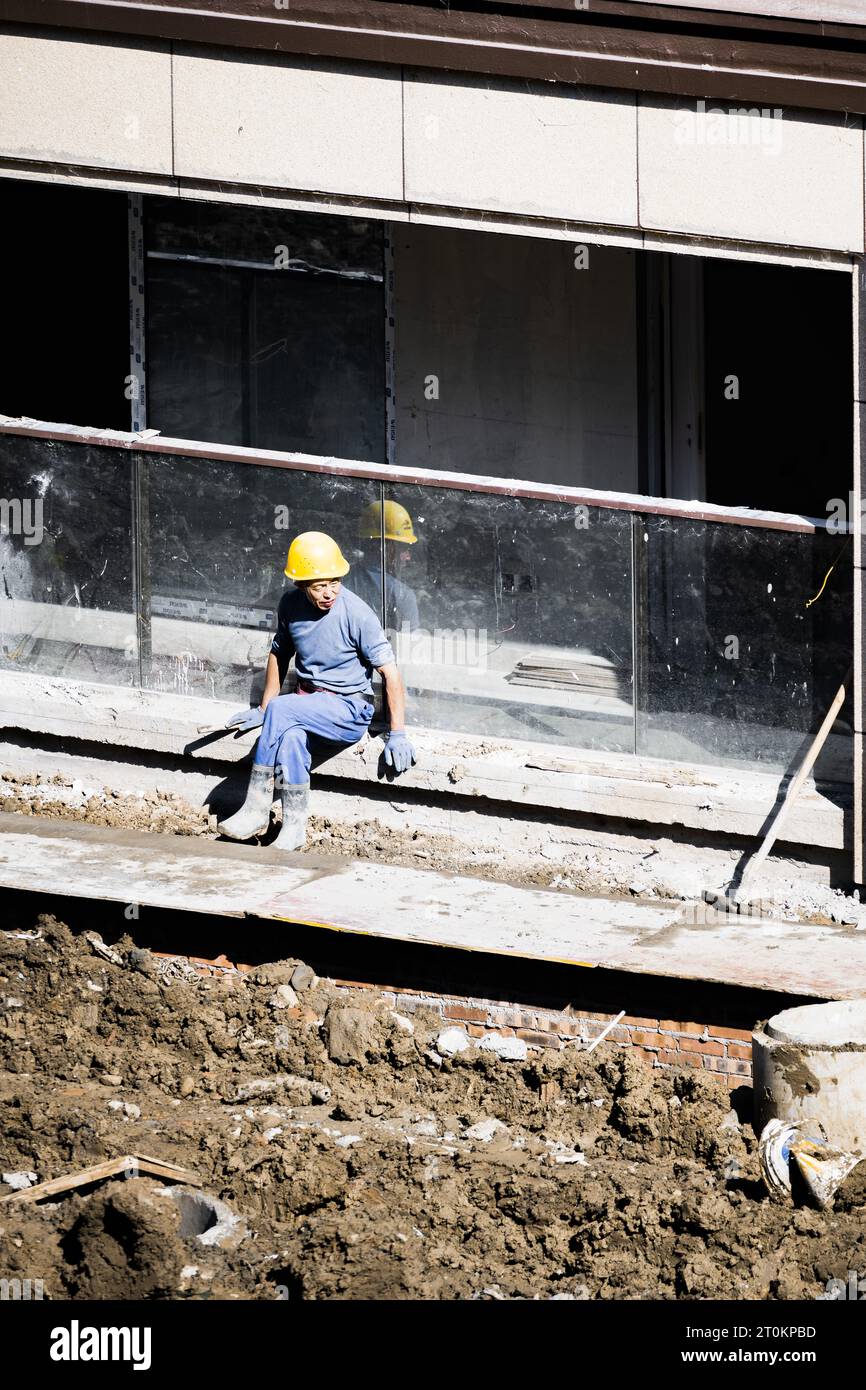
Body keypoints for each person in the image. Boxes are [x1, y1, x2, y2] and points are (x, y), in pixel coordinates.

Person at [217, 530, 416, 850]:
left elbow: (391, 674)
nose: (328, 592)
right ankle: (293, 829)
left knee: (282, 710)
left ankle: (256, 809)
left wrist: (398, 733)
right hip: (309, 703)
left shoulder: (357, 614)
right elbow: (279, 653)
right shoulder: (290, 606)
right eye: (319, 586)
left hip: (350, 708)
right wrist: (264, 708)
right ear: (300, 585)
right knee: (291, 739)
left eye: (334, 582)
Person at [344, 499, 420, 633]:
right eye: (404, 548)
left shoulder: (338, 581)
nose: (408, 557)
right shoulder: (403, 596)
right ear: (384, 548)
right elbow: (408, 649)